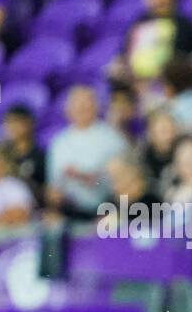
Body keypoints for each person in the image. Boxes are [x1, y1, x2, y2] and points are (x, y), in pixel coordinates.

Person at [44, 86, 129, 222]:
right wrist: (55, 196)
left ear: (96, 106)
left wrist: (93, 179)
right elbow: (53, 186)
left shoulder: (113, 138)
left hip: (108, 207)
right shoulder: (58, 143)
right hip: (71, 210)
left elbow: (127, 181)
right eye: (77, 104)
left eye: (86, 103)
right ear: (68, 110)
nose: (82, 108)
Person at [117, 0, 192, 85]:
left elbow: (181, 58)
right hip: (135, 80)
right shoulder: (139, 21)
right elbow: (125, 51)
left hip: (167, 80)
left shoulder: (182, 23)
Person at [0, 106, 45, 205]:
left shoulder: (40, 157)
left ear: (29, 123)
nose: (11, 127)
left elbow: (45, 190)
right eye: (8, 122)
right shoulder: (1, 156)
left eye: (16, 122)